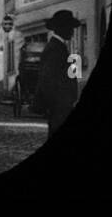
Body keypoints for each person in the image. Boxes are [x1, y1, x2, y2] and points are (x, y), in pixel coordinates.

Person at [34, 9, 79, 138]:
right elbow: (47, 79)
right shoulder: (55, 49)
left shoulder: (59, 47)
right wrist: (54, 104)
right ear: (62, 28)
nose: (72, 31)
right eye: (70, 27)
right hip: (59, 105)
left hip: (62, 104)